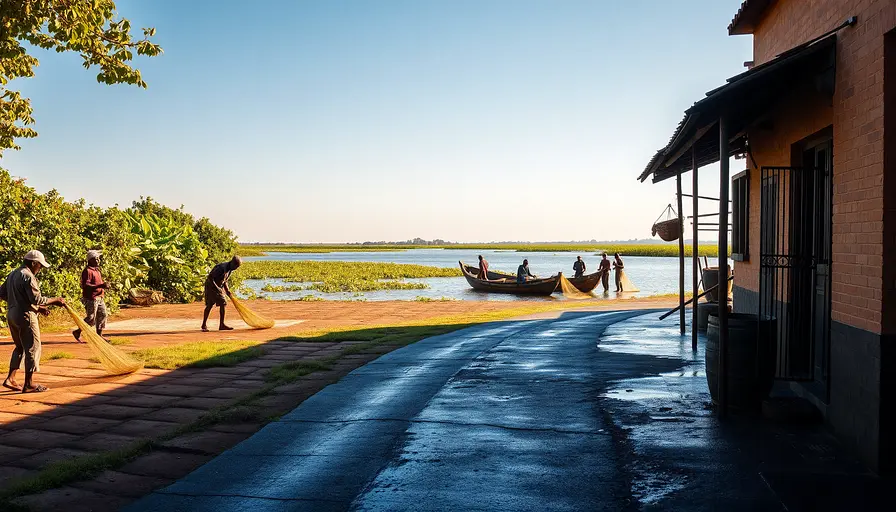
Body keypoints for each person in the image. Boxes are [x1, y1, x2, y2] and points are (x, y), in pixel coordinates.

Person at [1, 250, 66, 393]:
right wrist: (55, 300)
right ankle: (29, 384)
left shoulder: (13, 274)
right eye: (40, 266)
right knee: (32, 347)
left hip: (12, 314)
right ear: (33, 263)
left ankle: (10, 378)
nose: (40, 269)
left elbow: (2, 293)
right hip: (26, 317)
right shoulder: (28, 276)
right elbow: (36, 299)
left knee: (19, 347)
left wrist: (31, 306)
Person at [73, 250, 110, 342]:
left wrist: (103, 286)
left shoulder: (97, 270)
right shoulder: (87, 271)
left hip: (99, 296)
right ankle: (78, 331)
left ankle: (99, 336)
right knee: (91, 318)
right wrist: (101, 286)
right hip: (91, 298)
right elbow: (85, 285)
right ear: (90, 260)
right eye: (96, 259)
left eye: (98, 259)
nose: (98, 261)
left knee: (103, 314)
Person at [201, 255, 242, 332]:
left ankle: (205, 325)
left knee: (211, 305)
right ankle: (220, 324)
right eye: (236, 266)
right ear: (232, 263)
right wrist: (218, 289)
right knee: (222, 303)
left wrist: (227, 291)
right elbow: (210, 278)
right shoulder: (221, 268)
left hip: (217, 287)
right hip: (210, 286)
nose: (235, 269)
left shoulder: (229, 269)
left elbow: (224, 281)